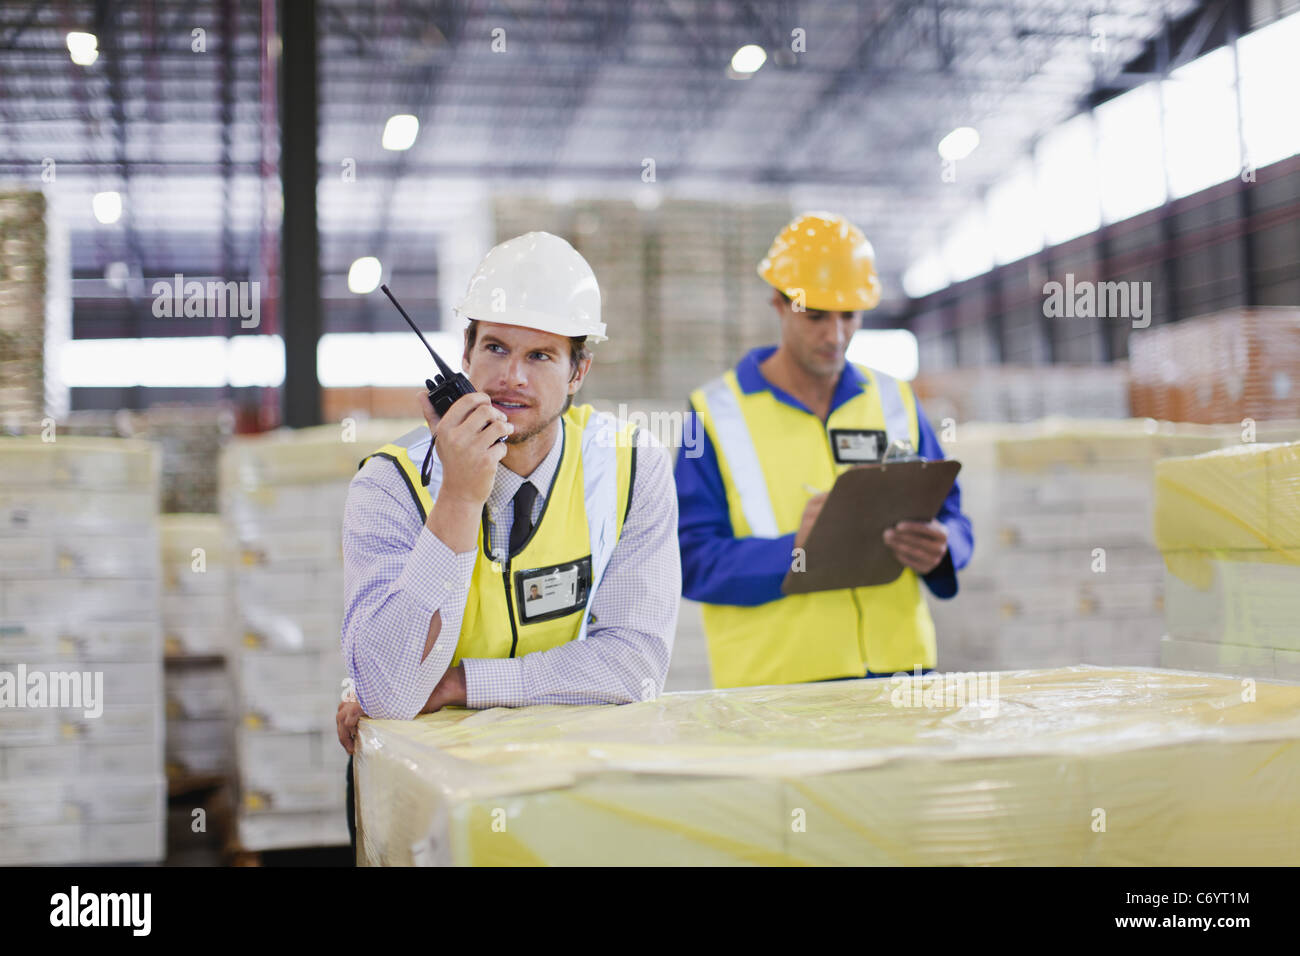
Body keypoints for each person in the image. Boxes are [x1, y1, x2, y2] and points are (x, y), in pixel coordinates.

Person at [335, 233, 679, 845]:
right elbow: (390, 690)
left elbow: (637, 665)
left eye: (542, 356)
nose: (511, 378)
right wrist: (461, 497)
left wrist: (463, 683)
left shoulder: (631, 468)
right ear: (463, 355)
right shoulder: (388, 486)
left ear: (579, 372)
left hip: (573, 790)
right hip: (429, 811)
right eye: (495, 347)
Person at [675, 212, 973, 688]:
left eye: (849, 316)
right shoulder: (714, 414)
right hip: (777, 692)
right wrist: (794, 551)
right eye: (815, 315)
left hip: (901, 676)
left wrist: (943, 548)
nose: (835, 336)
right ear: (777, 302)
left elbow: (956, 519)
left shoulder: (894, 400)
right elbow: (688, 560)